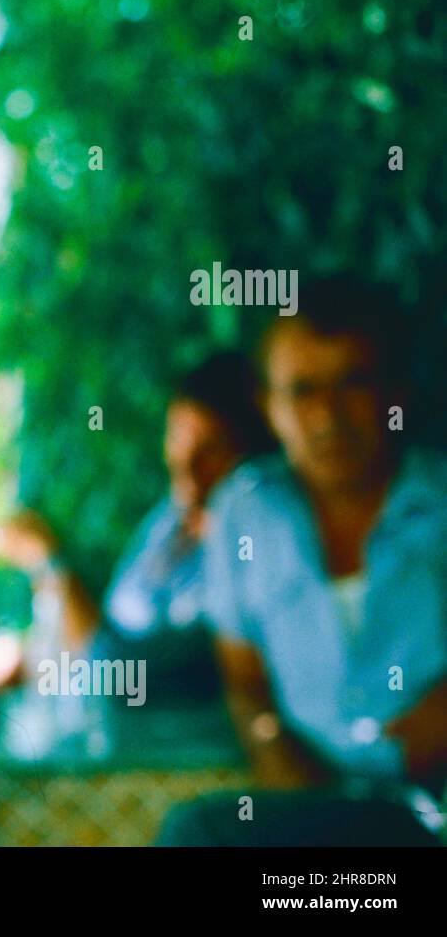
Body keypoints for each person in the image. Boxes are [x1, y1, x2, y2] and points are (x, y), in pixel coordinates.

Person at [158, 275, 446, 846]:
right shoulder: (245, 513)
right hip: (320, 810)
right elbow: (246, 684)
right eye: (303, 391)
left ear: (396, 393)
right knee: (197, 835)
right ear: (269, 407)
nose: (328, 417)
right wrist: (289, 777)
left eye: (353, 384)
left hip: (435, 804)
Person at [0, 352, 274, 700]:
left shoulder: (247, 556)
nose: (187, 468)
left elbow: (120, 681)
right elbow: (106, 636)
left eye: (212, 449)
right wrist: (24, 658)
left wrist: (49, 564)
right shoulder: (170, 522)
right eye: (177, 440)